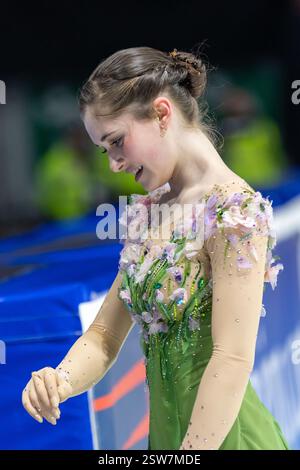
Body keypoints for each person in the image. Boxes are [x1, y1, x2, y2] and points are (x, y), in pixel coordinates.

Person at [22, 46, 290, 450]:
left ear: (162, 114)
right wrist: (58, 381)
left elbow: (232, 359)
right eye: (104, 150)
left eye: (116, 142)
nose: (113, 164)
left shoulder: (235, 213)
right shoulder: (148, 213)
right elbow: (103, 336)